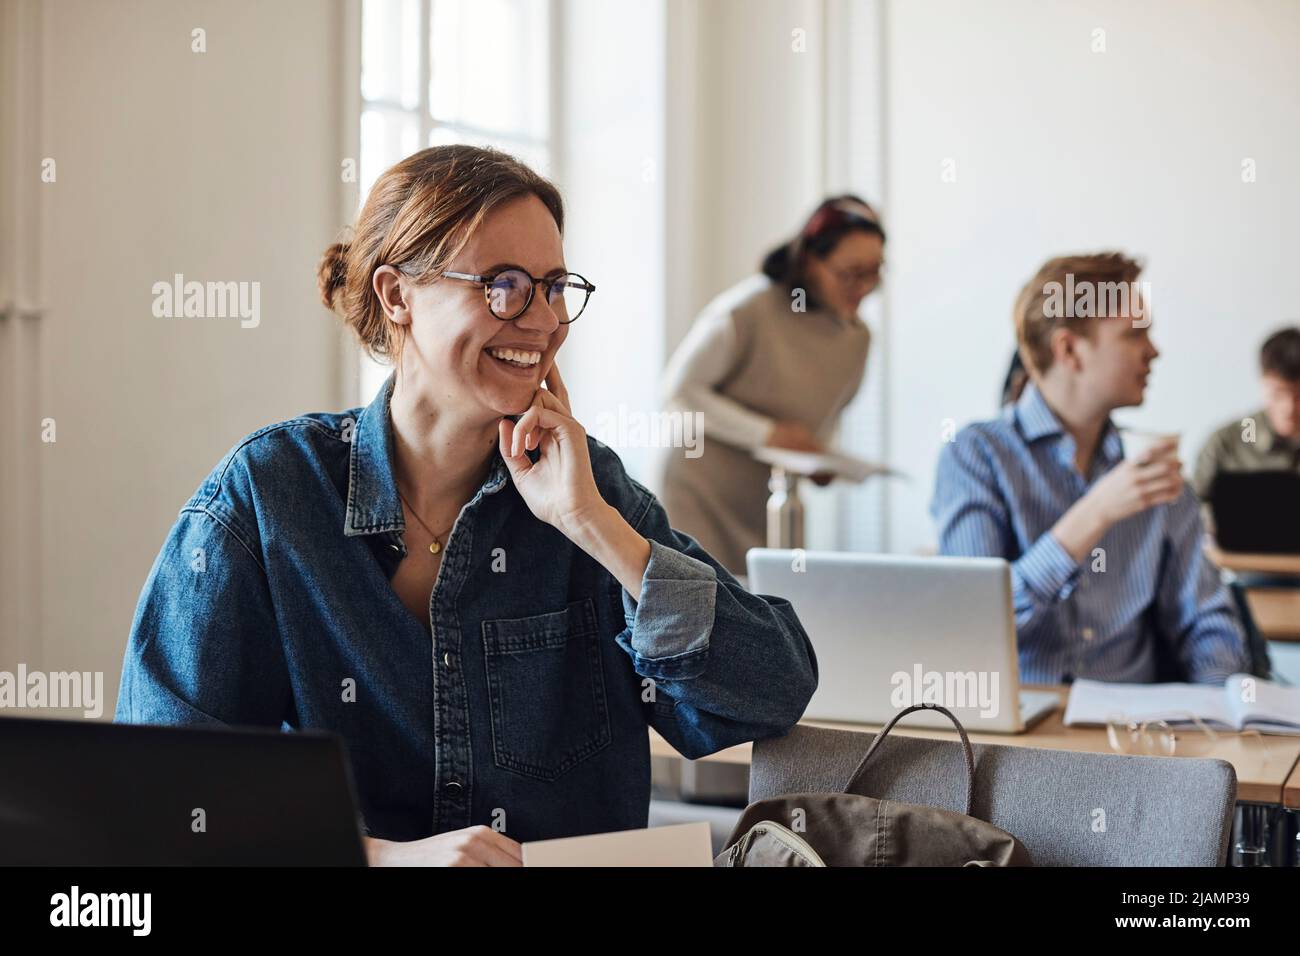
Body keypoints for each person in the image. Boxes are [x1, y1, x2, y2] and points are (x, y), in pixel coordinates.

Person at [114, 145, 817, 866]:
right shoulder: (271, 495)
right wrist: (385, 860)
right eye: (502, 285)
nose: (542, 320)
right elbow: (170, 797)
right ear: (397, 296)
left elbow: (769, 693)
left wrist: (594, 527)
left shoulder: (588, 486)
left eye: (553, 286)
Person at [931, 252, 1246, 685]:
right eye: (1135, 333)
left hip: (1136, 734)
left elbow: (1207, 623)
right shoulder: (976, 456)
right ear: (1069, 350)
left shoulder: (1151, 466)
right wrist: (1094, 514)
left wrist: (1220, 710)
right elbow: (967, 624)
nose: (1154, 350)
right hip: (1017, 734)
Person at [656, 197, 885, 574]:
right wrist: (768, 434)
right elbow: (679, 393)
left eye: (873, 273)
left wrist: (821, 458)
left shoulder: (858, 340)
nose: (862, 287)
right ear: (811, 261)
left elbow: (821, 422)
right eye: (850, 273)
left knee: (767, 615)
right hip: (699, 495)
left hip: (771, 503)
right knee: (699, 611)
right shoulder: (749, 309)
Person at [1193, 326, 1300, 508]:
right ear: (1263, 383)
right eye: (1278, 394)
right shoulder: (1227, 443)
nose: (1289, 407)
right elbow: (1192, 511)